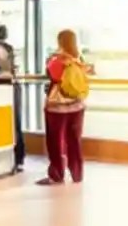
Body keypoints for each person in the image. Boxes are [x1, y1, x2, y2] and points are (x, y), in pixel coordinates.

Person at [39, 29, 91, 185]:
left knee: (55, 142)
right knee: (74, 140)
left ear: (60, 42)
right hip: (77, 106)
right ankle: (77, 173)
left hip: (57, 107)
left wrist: (51, 60)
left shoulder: (58, 59)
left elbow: (53, 76)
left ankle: (57, 174)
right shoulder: (79, 59)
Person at [0, 25, 24, 172]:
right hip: (13, 84)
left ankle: (10, 158)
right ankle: (18, 157)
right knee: (15, 122)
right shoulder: (8, 48)